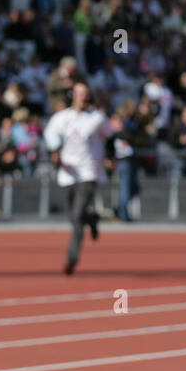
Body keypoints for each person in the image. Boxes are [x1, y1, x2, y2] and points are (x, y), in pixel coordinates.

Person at [44, 82, 115, 274]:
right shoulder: (62, 118)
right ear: (72, 95)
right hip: (68, 173)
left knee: (76, 218)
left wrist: (110, 157)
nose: (82, 97)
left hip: (89, 172)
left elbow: (111, 136)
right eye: (78, 93)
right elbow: (50, 135)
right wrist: (54, 151)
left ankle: (71, 260)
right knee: (74, 215)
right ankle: (92, 219)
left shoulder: (97, 118)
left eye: (85, 93)